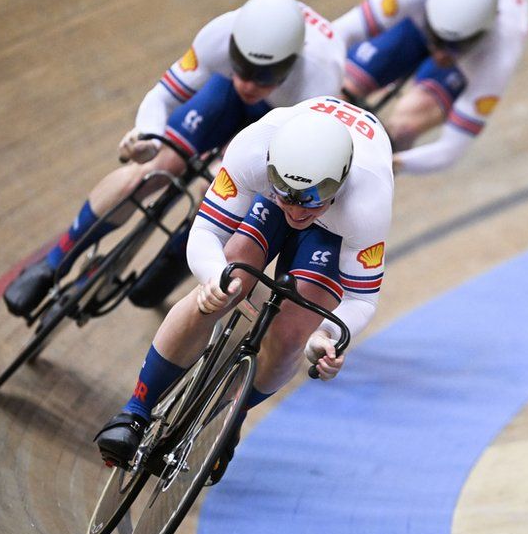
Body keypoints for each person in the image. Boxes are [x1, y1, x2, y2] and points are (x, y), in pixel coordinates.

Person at [95, 96, 393, 484]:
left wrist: (328, 335)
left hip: (333, 232)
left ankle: (230, 414)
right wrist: (215, 278)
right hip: (266, 198)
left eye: (310, 199)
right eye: (287, 192)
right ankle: (135, 410)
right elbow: (205, 232)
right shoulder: (252, 150)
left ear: (338, 184)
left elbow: (361, 298)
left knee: (290, 336)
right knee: (228, 284)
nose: (297, 210)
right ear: (271, 169)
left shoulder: (366, 204)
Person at [3, 0, 345, 316]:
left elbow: (288, 161)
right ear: (234, 47)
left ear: (290, 65)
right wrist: (146, 137)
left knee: (221, 194)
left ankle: (176, 258)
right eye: (240, 66)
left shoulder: (319, 77)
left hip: (281, 125)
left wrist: (223, 174)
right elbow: (163, 96)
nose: (249, 84)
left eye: (265, 76)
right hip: (222, 99)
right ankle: (51, 263)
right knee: (154, 169)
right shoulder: (219, 34)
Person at [332, 0, 528, 175]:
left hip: (468, 62)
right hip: (417, 27)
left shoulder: (499, 54)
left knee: (404, 129)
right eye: (436, 40)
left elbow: (450, 151)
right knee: (343, 87)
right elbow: (334, 35)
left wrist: (389, 163)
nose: (439, 54)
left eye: (453, 46)